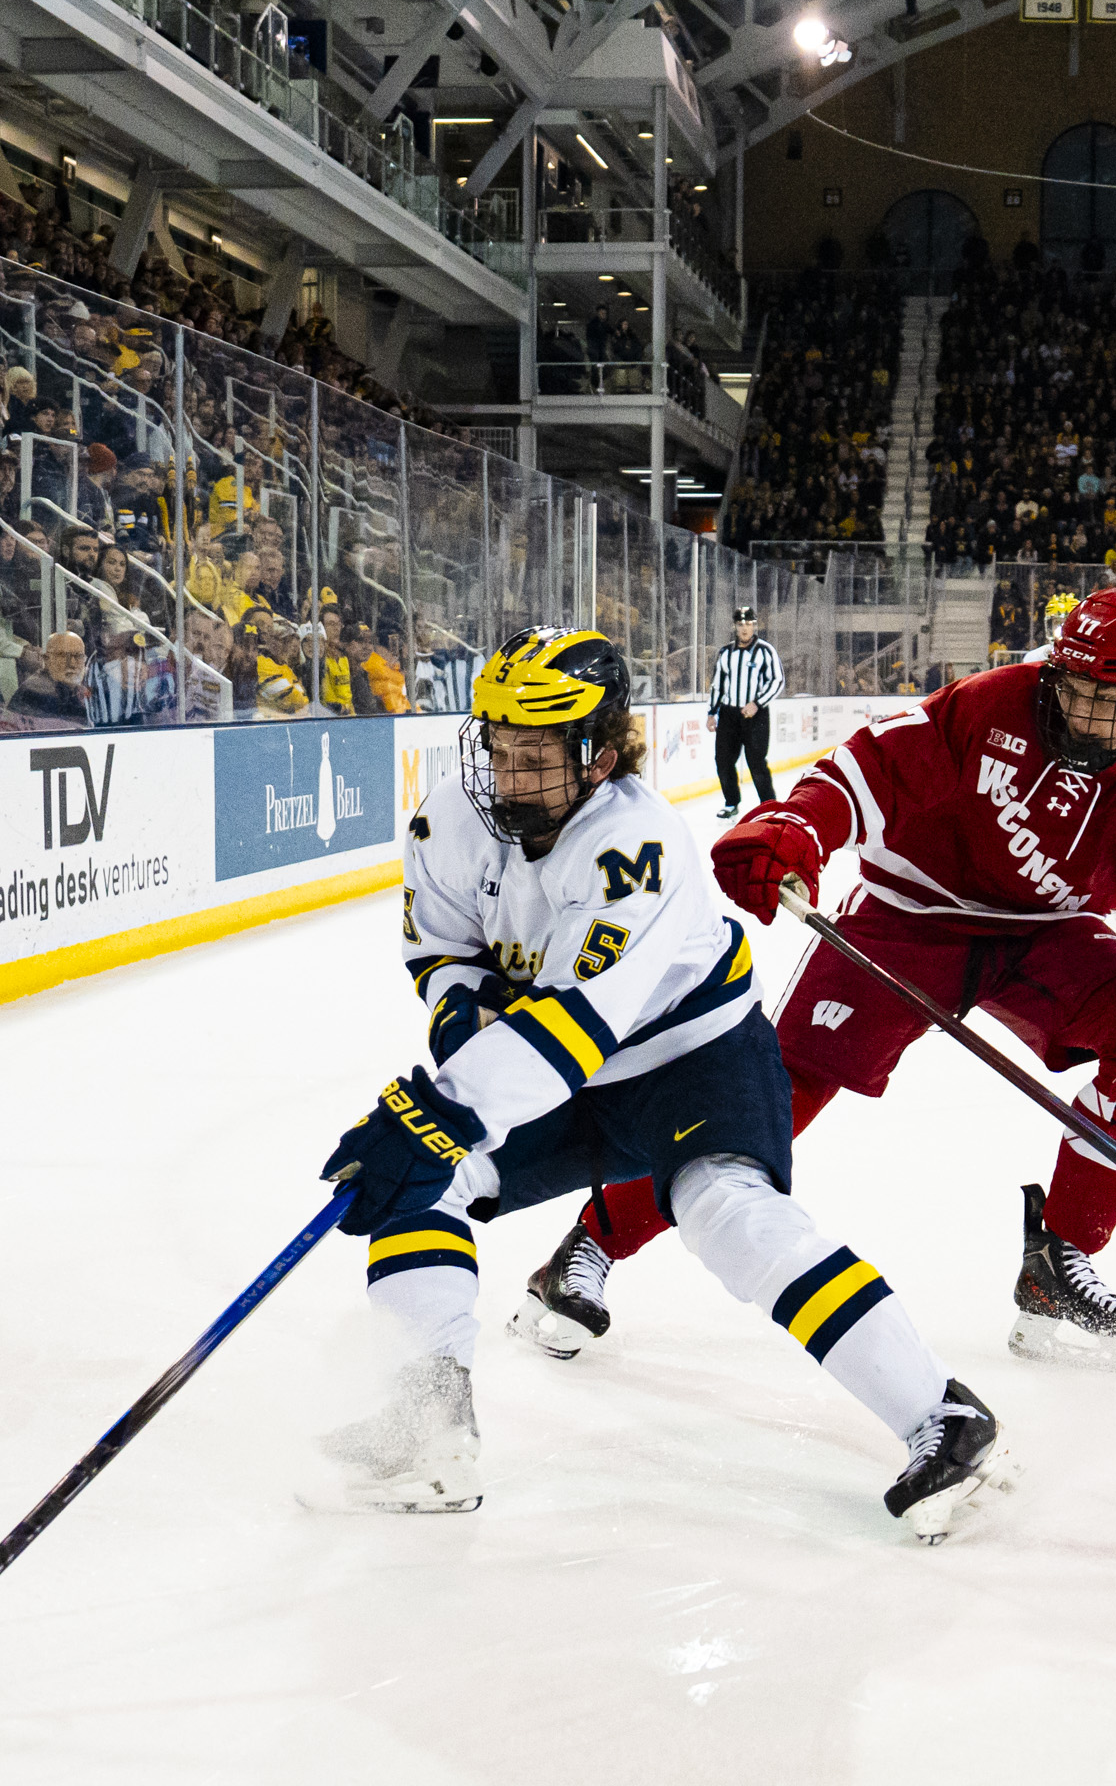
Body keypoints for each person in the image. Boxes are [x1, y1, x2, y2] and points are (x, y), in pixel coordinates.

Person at [315, 627, 1008, 1539]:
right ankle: (428, 1432)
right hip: (560, 1063)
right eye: (498, 750)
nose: (507, 777)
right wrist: (457, 1041)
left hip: (693, 1061)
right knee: (424, 1183)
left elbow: (573, 1028)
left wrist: (444, 1110)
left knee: (730, 1217)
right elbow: (444, 954)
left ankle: (941, 1416)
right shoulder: (449, 818)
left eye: (534, 759)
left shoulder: (632, 845)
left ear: (597, 757)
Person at [522, 587, 1116, 1375]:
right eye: (1074, 687)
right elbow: (870, 769)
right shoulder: (993, 705)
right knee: (767, 1096)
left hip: (1048, 935)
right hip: (909, 914)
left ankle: (1057, 1265)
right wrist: (799, 824)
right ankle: (588, 1248)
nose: (1081, 710)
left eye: (1109, 699)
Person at [706, 603, 783, 820]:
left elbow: (777, 680)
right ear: (735, 627)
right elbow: (718, 685)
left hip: (755, 716)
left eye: (749, 624)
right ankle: (731, 803)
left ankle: (769, 805)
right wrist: (712, 713)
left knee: (756, 762)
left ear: (754, 626)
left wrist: (757, 703)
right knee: (723, 760)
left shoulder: (765, 651)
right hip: (729, 715)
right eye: (741, 624)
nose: (745, 628)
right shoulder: (725, 653)